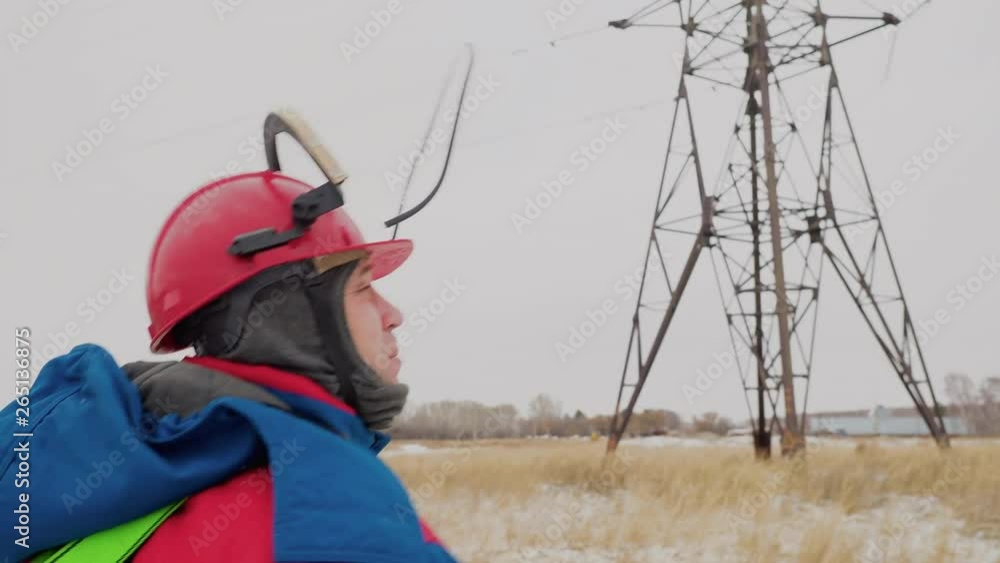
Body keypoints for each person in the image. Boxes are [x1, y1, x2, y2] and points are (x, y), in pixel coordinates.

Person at [0, 120, 458, 562]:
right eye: (361, 287)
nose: (393, 315)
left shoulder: (63, 470)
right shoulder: (341, 514)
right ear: (287, 315)